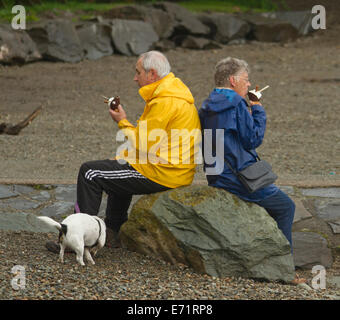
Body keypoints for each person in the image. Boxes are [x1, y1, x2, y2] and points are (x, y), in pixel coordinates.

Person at [45, 50, 201, 252]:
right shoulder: (173, 94)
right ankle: (112, 233)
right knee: (117, 168)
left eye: (138, 73)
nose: (135, 78)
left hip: (163, 172)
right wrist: (122, 157)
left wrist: (122, 122)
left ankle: (79, 241)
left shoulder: (164, 101)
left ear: (152, 74)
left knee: (90, 173)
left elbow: (144, 143)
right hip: (174, 169)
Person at [198, 57, 305, 284]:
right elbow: (252, 140)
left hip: (216, 174)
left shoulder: (208, 104)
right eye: (246, 80)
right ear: (233, 80)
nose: (248, 85)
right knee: (286, 206)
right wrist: (257, 109)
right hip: (237, 177)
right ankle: (285, 271)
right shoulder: (236, 103)